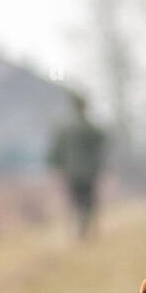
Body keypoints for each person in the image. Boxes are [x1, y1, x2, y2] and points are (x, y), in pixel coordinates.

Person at [48, 93, 107, 239]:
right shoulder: (88, 126)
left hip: (70, 173)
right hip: (88, 172)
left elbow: (55, 151)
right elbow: (102, 140)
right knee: (88, 202)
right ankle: (86, 231)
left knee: (73, 202)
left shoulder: (63, 127)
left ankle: (72, 232)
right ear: (84, 107)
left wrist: (56, 167)